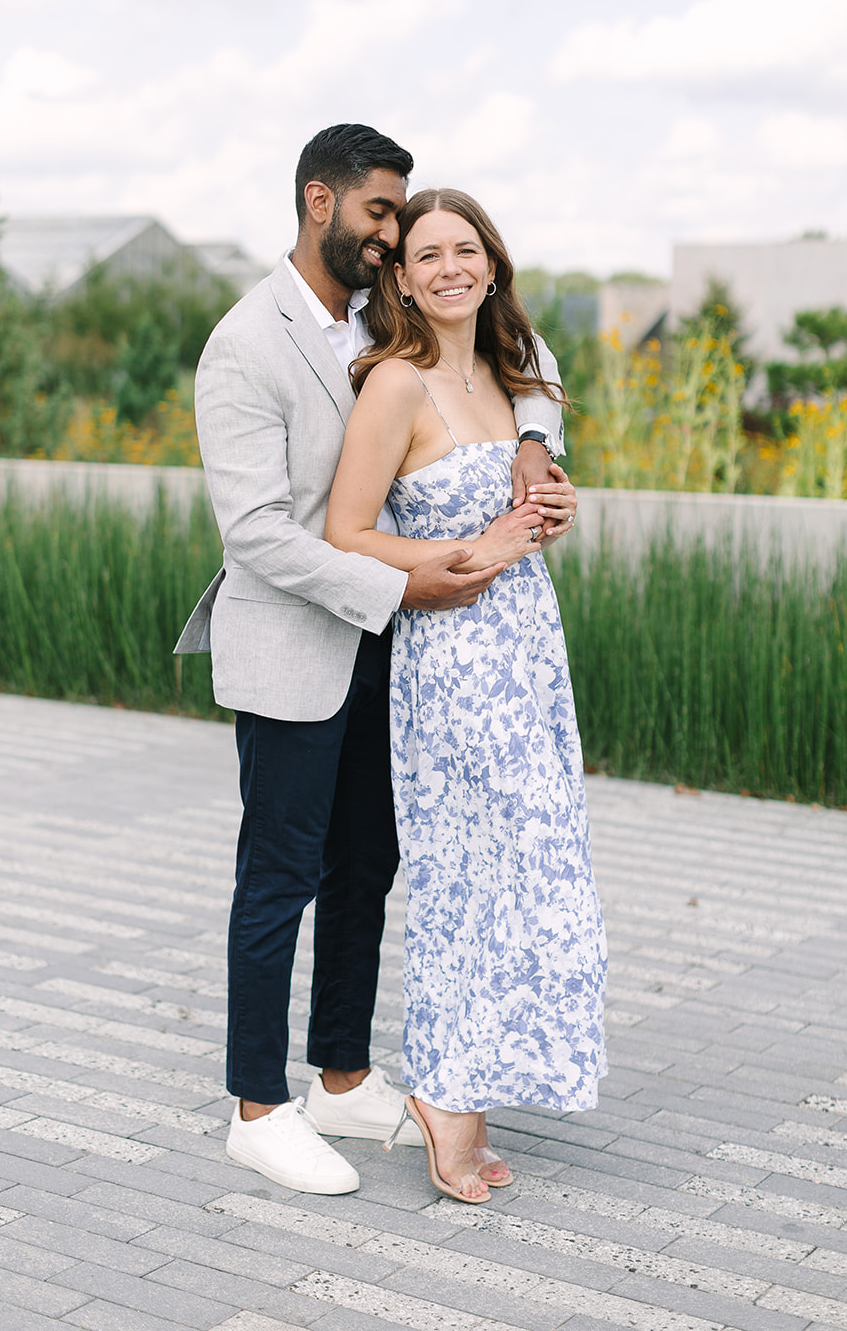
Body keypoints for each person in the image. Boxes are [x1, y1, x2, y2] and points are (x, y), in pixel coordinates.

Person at [176, 127, 572, 1196]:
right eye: (380, 214)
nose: (394, 235)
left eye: (399, 216)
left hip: (387, 653)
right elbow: (255, 532)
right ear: (321, 203)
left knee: (366, 867)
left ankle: (342, 1076)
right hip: (300, 639)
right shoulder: (243, 344)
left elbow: (500, 354)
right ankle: (256, 1107)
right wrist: (401, 583)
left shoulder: (372, 313)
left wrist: (537, 444)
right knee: (279, 874)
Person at [325, 187, 606, 1203]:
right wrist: (468, 548)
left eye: (465, 249)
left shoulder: (510, 378)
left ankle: (464, 1090)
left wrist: (548, 509)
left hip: (528, 655)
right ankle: (444, 1095)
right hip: (449, 664)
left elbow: (527, 498)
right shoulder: (394, 387)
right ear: (400, 276)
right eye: (426, 252)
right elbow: (345, 535)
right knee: (464, 881)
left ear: (489, 265)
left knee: (530, 876)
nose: (447, 266)